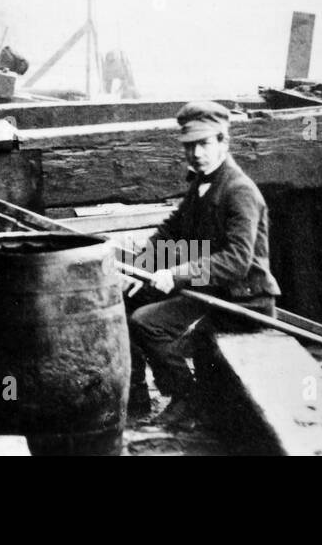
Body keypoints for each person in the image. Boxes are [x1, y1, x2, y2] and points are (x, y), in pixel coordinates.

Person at [124, 101, 281, 427]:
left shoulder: (239, 191)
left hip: (243, 299)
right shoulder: (202, 183)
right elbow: (172, 229)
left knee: (147, 322)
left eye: (204, 143)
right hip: (214, 289)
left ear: (224, 141)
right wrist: (142, 266)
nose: (195, 153)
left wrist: (177, 274)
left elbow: (237, 261)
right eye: (189, 145)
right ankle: (137, 396)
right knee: (130, 300)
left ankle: (189, 398)